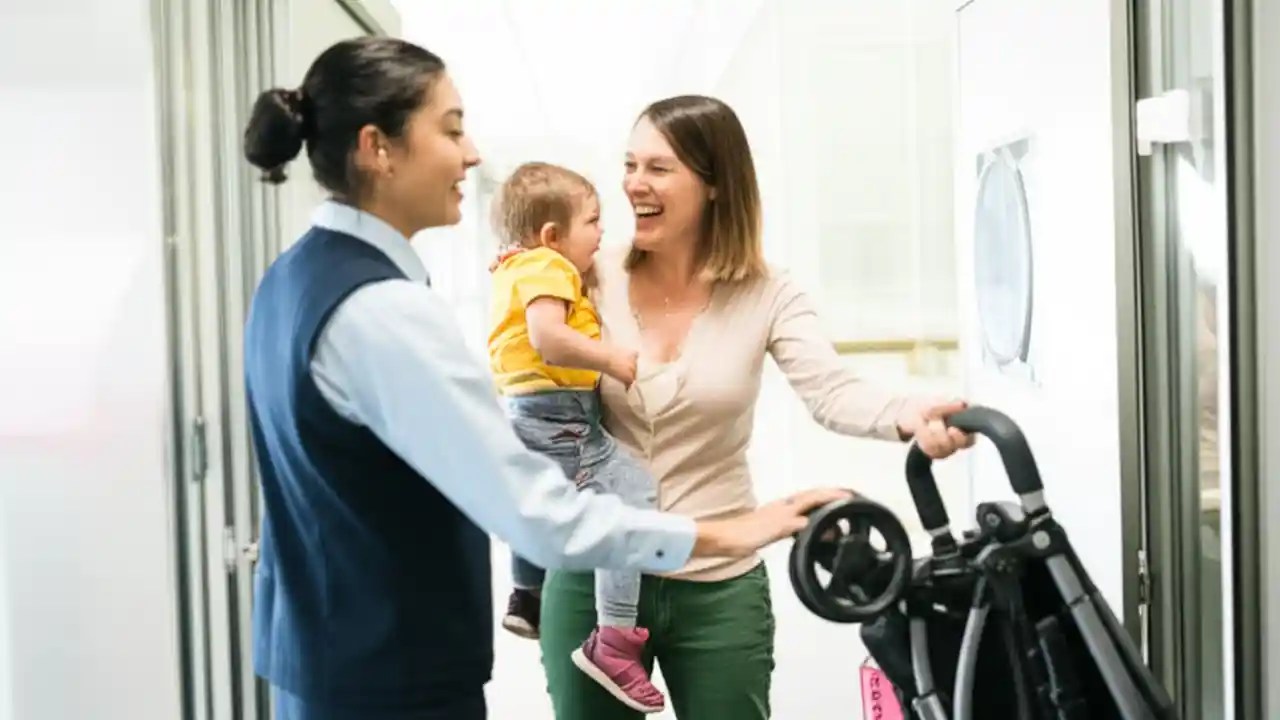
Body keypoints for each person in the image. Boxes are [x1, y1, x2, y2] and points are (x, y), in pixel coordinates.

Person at [240, 41, 849, 720]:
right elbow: (535, 511)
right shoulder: (385, 311)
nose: (470, 154)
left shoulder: (290, 281)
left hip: (326, 664)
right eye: (451, 129)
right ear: (378, 148)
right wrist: (726, 532)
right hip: (390, 681)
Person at [537, 94, 975, 720]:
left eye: (659, 168)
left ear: (715, 183)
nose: (635, 184)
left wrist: (912, 412)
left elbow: (831, 391)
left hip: (718, 584)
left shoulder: (769, 293)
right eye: (629, 165)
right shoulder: (587, 276)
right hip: (593, 576)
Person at [486, 162, 666, 713]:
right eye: (593, 221)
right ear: (550, 236)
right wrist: (610, 358)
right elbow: (548, 339)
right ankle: (614, 637)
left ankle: (526, 592)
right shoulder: (548, 267)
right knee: (632, 499)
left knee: (537, 495)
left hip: (528, 412)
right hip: (560, 413)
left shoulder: (520, 266)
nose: (602, 232)